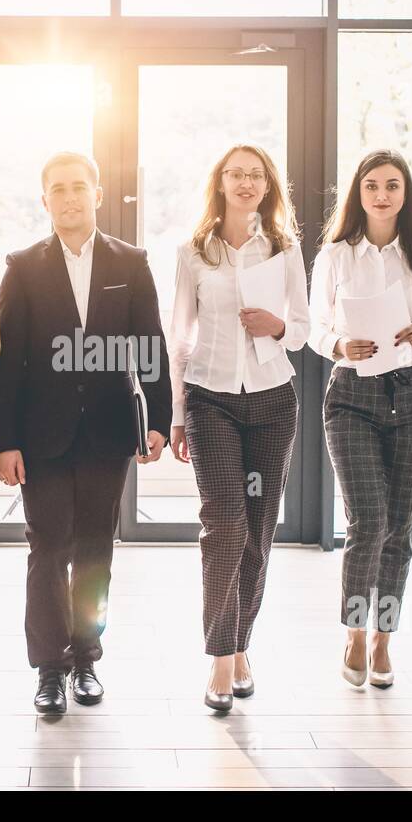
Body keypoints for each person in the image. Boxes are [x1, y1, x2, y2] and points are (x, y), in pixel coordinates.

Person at [0, 151, 172, 715]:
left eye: (79, 187)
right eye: (57, 189)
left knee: (94, 550)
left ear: (97, 194)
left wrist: (159, 421)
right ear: (44, 200)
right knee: (46, 549)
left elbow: (150, 344)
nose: (69, 197)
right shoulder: (22, 266)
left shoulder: (132, 262)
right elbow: (8, 360)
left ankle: (87, 659)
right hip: (40, 436)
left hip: (108, 432)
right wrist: (5, 440)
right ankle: (49, 669)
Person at [169, 143, 309, 713]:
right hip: (210, 402)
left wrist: (277, 325)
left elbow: (301, 329)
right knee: (224, 524)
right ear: (220, 183)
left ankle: (240, 645)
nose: (246, 182)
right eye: (235, 174)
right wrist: (177, 415)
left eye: (255, 175)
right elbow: (176, 337)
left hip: (274, 399)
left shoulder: (284, 250)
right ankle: (221, 657)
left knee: (258, 529)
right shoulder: (193, 252)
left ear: (268, 185)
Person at [309, 150, 412, 691]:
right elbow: (315, 328)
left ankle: (384, 639)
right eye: (371, 185)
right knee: (368, 521)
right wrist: (340, 342)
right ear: (358, 193)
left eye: (392, 185)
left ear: (405, 193)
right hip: (352, 396)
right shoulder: (335, 256)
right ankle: (354, 633)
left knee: (401, 528)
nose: (382, 194)